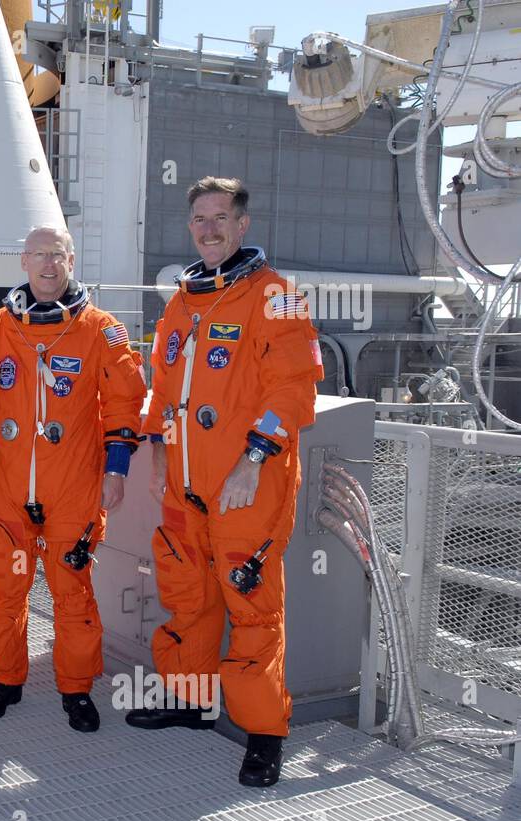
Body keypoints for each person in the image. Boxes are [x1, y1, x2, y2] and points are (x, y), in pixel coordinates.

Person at [130, 176, 324, 788]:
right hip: (185, 483)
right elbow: (163, 385)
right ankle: (190, 701)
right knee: (188, 594)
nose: (209, 228)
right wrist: (159, 441)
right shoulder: (183, 300)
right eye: (199, 220)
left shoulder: (278, 297)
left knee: (252, 604)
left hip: (247, 482)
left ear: (242, 225)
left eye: (220, 217)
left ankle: (265, 734)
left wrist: (253, 459)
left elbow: (292, 390)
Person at [0, 226, 146, 731]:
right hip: (5, 486)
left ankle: (76, 688)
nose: (48, 264)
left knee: (72, 593)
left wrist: (116, 469)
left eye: (57, 255)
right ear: (24, 261)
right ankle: (5, 679)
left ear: (71, 260)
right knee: (3, 589)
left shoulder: (100, 329)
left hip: (74, 487)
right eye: (38, 255)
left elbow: (124, 403)